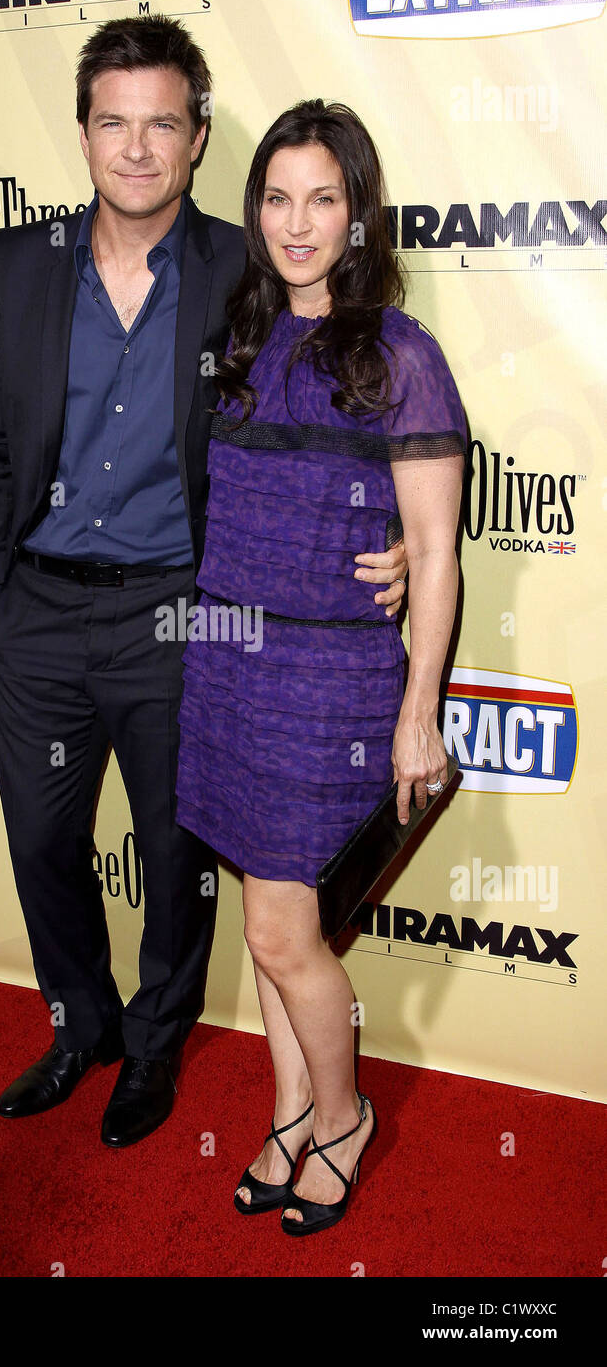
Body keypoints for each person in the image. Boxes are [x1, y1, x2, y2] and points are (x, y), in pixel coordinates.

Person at [0, 17, 408, 1149]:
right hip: (38, 614)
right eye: (116, 121)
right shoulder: (16, 264)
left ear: (199, 138)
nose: (139, 147)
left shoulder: (244, 270)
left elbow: (350, 393)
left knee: (177, 856)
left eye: (164, 122)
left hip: (180, 615)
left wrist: (398, 536)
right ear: (83, 132)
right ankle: (78, 1027)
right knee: (41, 843)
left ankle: (153, 1050)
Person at [175, 100, 467, 1232]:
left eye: (324, 198)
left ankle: (344, 1118)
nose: (298, 223)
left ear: (358, 214)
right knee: (262, 920)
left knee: (286, 933)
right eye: (278, 197)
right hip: (228, 670)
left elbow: (433, 548)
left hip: (331, 687)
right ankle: (292, 1106)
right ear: (256, 211)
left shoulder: (402, 353)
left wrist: (417, 710)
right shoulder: (239, 340)